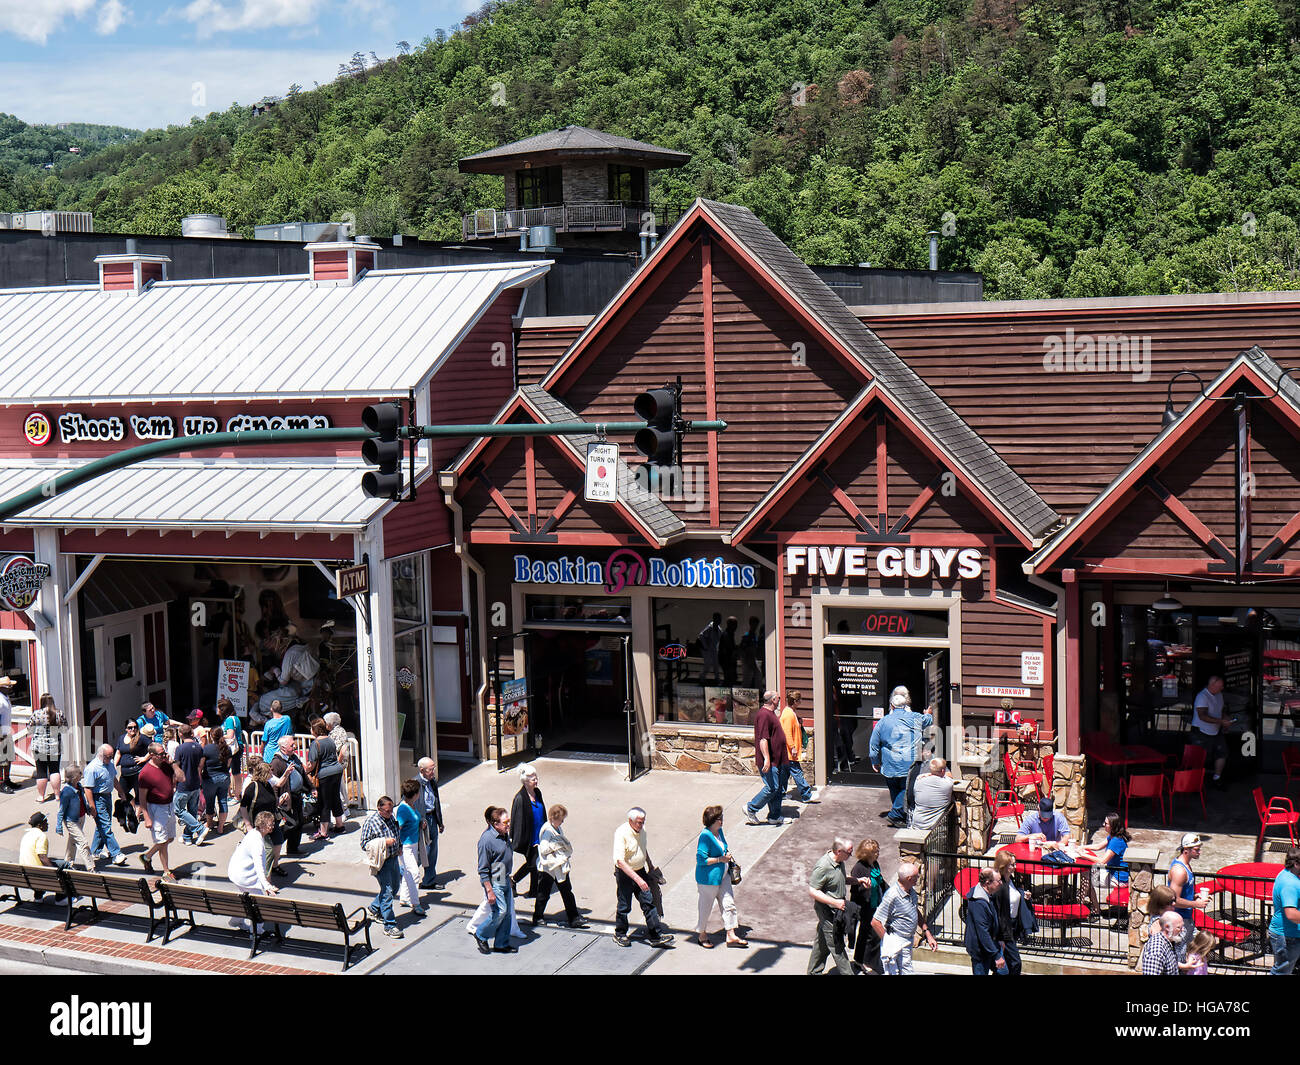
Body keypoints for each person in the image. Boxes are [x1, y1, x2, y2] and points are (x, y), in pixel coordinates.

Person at [869, 687, 935, 827]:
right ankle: (895, 814)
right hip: (907, 762)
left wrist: (875, 761)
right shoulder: (914, 718)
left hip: (889, 763)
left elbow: (874, 744)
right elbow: (928, 721)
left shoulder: (883, 722)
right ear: (905, 705)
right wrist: (928, 713)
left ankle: (898, 815)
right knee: (905, 789)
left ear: (891, 705)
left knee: (894, 788)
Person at [612, 807, 673, 947]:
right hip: (625, 874)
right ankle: (620, 933)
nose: (641, 825)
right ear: (630, 821)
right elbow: (620, 862)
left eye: (643, 822)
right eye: (638, 822)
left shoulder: (642, 831)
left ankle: (656, 936)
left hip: (640, 871)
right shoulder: (621, 833)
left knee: (648, 903)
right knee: (624, 905)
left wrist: (650, 866)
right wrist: (638, 880)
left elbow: (642, 848)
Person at [872, 862, 937, 974]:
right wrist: (888, 943)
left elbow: (914, 911)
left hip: (907, 941)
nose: (919, 878)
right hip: (896, 941)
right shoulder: (892, 895)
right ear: (909, 878)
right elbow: (875, 922)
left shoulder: (911, 892)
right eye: (917, 876)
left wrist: (928, 934)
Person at [695, 805, 746, 948]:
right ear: (713, 820)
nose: (723, 820)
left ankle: (731, 934)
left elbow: (723, 847)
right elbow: (701, 860)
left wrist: (726, 856)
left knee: (728, 904)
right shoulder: (705, 836)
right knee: (705, 908)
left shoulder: (719, 831)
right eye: (720, 818)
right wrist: (720, 859)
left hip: (723, 876)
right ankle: (702, 935)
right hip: (708, 880)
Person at [534, 804, 586, 929]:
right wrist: (557, 845)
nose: (562, 821)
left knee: (567, 891)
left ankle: (574, 917)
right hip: (548, 868)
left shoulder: (557, 828)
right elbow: (545, 848)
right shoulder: (547, 830)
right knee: (543, 893)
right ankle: (537, 917)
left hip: (559, 867)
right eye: (561, 819)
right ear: (553, 818)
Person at [807, 836, 854, 974]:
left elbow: (840, 879)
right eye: (849, 853)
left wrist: (858, 880)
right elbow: (813, 890)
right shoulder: (823, 866)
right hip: (827, 910)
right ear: (839, 851)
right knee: (836, 944)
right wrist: (835, 902)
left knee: (822, 942)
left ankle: (813, 972)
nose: (851, 856)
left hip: (837, 908)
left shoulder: (839, 862)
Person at [360, 795, 404, 939]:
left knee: (395, 887)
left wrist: (399, 846)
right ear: (379, 809)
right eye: (387, 811)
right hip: (382, 861)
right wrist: (384, 842)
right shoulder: (371, 822)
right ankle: (389, 925)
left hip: (393, 858)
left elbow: (396, 832)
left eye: (391, 811)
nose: (390, 814)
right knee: (387, 891)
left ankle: (374, 908)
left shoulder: (391, 818)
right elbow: (364, 843)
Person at [227, 811, 279, 935]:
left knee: (247, 900)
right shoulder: (257, 842)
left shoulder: (252, 834)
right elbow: (259, 866)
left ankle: (236, 921)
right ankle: (257, 931)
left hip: (236, 873)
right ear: (261, 826)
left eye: (272, 823)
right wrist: (266, 885)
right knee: (258, 904)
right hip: (243, 876)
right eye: (269, 824)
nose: (272, 826)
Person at [136, 743, 181, 879]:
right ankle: (166, 871)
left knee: (170, 838)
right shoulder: (145, 773)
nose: (164, 755)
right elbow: (142, 798)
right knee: (162, 841)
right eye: (161, 754)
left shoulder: (167, 765)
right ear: (152, 755)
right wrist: (147, 817)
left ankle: (147, 857)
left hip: (169, 805)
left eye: (164, 753)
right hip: (156, 808)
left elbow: (182, 778)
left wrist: (172, 763)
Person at [744, 690, 790, 825]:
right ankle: (751, 808)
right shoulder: (764, 715)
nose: (780, 700)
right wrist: (767, 759)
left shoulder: (770, 714)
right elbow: (763, 739)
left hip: (777, 759)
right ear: (773, 700)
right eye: (778, 698)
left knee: (777, 787)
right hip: (770, 760)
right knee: (771, 787)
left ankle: (774, 816)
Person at [475, 805, 516, 954]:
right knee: (500, 911)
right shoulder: (486, 840)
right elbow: (483, 869)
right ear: (495, 824)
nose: (508, 825)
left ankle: (501, 943)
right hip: (494, 879)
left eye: (508, 821)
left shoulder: (504, 834)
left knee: (507, 913)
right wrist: (489, 890)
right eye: (505, 823)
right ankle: (481, 934)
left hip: (503, 875)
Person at [1167, 833, 1213, 961]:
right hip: (1179, 920)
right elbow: (1174, 900)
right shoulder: (1179, 871)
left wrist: (1194, 896)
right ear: (1186, 850)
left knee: (1187, 952)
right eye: (1196, 849)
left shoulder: (1186, 865)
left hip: (1186, 917)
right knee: (1179, 956)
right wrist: (1196, 904)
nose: (1200, 852)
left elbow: (1182, 893)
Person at [990, 850, 1034, 975]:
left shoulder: (1011, 880)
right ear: (1004, 866)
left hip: (1013, 925)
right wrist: (1001, 936)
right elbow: (998, 911)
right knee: (1015, 963)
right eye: (1012, 865)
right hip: (1005, 929)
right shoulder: (1000, 885)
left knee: (1007, 962)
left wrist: (1022, 894)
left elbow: (1012, 895)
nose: (1015, 867)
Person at [83, 743, 127, 866]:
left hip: (107, 796)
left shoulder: (110, 764)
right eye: (108, 756)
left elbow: (113, 779)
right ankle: (116, 853)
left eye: (111, 756)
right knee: (105, 826)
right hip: (97, 798)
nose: (111, 758)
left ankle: (96, 850)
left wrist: (121, 792)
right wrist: (92, 806)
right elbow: (88, 789)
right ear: (101, 755)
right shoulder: (92, 768)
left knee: (102, 825)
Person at [238, 759, 285, 874]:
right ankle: (263, 874)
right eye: (269, 772)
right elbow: (243, 806)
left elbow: (272, 802)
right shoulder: (252, 787)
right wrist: (248, 825)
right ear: (264, 773)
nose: (272, 774)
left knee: (278, 842)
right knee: (267, 850)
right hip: (259, 825)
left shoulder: (268, 785)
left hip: (271, 821)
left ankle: (274, 866)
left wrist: (281, 800)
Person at [1083, 812, 1131, 921]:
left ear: (1112, 826)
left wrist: (1083, 854)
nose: (1103, 825)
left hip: (1119, 878)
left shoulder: (1116, 841)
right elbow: (1098, 846)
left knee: (1086, 877)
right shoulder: (1113, 836)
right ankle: (1086, 905)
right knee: (1087, 876)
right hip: (1114, 873)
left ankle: (1094, 910)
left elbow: (1102, 860)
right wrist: (1082, 847)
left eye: (1106, 823)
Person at [848, 838, 885, 974]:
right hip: (864, 906)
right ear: (868, 854)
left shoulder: (875, 864)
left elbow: (880, 881)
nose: (878, 853)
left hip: (876, 903)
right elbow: (855, 890)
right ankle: (866, 962)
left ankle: (860, 959)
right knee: (870, 934)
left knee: (869, 934)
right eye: (875, 851)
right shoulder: (858, 868)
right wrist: (865, 888)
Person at [509, 763, 545, 897]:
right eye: (532, 778)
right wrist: (518, 841)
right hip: (528, 837)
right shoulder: (520, 798)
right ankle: (514, 879)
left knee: (535, 862)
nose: (536, 780)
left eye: (536, 777)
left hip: (539, 833)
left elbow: (543, 812)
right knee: (533, 862)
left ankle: (533, 890)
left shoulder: (538, 793)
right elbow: (516, 821)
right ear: (525, 781)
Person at [962, 867, 1007, 975]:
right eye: (998, 881)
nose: (1001, 883)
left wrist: (999, 938)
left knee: (1003, 972)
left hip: (992, 944)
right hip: (981, 950)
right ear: (988, 883)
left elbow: (995, 918)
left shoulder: (989, 895)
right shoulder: (979, 903)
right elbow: (982, 932)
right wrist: (996, 956)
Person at [268, 735, 307, 856]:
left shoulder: (293, 757)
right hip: (286, 798)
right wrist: (277, 800)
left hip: (297, 795)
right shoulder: (276, 762)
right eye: (292, 745)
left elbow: (303, 773)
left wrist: (311, 788)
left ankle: (293, 848)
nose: (295, 747)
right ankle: (273, 843)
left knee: (300, 822)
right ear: (284, 748)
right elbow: (273, 784)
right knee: (292, 823)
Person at [307, 718, 346, 839]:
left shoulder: (315, 744)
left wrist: (306, 770)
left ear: (315, 730)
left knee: (324, 802)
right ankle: (339, 825)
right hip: (337, 771)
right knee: (335, 798)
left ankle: (323, 832)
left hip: (325, 774)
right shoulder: (330, 740)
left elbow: (312, 764)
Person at [172, 724, 209, 847]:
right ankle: (187, 836)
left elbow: (177, 766)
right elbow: (201, 764)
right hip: (195, 783)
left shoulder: (180, 748)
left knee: (178, 809)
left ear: (180, 734)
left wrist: (174, 781)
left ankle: (200, 828)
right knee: (192, 811)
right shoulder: (199, 747)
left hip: (184, 784)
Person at [394, 779, 426, 915]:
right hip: (405, 847)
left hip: (413, 845)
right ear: (416, 794)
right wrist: (398, 846)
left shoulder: (411, 805)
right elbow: (397, 828)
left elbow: (413, 820)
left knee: (408, 872)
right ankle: (415, 903)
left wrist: (420, 823)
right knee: (414, 873)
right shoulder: (403, 809)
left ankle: (405, 898)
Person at [780, 690, 818, 803]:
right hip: (789, 751)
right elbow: (787, 732)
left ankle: (781, 793)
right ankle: (806, 795)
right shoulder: (788, 714)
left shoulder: (791, 712)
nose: (801, 701)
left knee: (784, 774)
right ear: (795, 701)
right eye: (800, 700)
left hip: (787, 751)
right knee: (797, 773)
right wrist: (792, 747)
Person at [1191, 675, 1228, 787]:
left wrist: (1225, 719)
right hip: (1201, 731)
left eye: (1222, 686)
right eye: (1219, 686)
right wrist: (1221, 721)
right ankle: (1194, 781)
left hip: (1215, 730)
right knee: (1200, 757)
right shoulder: (1202, 696)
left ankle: (1217, 778)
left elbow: (1219, 711)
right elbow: (1202, 716)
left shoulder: (1219, 695)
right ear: (1211, 685)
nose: (1221, 688)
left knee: (1223, 753)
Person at [1268, 847, 1300, 976]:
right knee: (1281, 972)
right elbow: (1291, 914)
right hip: (1288, 937)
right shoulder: (1290, 884)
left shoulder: (1286, 873)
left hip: (1287, 934)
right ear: (1296, 864)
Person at [54, 764, 92, 871]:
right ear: (74, 777)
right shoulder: (66, 792)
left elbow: (82, 800)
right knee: (83, 842)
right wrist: (59, 826)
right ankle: (91, 868)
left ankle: (68, 863)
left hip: (81, 818)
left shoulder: (79, 786)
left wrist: (88, 809)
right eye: (79, 773)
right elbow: (61, 810)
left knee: (73, 841)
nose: (81, 774)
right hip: (71, 821)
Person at [29, 694, 63, 801]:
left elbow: (29, 729)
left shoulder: (36, 714)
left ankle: (41, 796)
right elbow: (64, 729)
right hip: (54, 747)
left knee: (41, 772)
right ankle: (57, 795)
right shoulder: (59, 713)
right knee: (54, 770)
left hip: (39, 747)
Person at [416, 757, 444, 887]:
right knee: (422, 852)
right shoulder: (415, 784)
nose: (433, 772)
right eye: (430, 769)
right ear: (422, 770)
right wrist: (419, 820)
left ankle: (429, 880)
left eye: (434, 769)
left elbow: (436, 801)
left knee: (433, 850)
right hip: (422, 820)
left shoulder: (432, 781)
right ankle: (405, 874)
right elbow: (411, 805)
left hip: (432, 817)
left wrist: (440, 822)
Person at [200, 726, 232, 835]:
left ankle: (209, 823)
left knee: (210, 803)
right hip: (224, 777)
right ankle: (221, 827)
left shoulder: (207, 749)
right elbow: (228, 764)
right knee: (223, 801)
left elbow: (201, 765)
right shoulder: (227, 748)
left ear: (211, 736)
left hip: (210, 778)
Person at [909, 757, 954, 833]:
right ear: (943, 770)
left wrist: (929, 774)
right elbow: (949, 776)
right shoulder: (947, 784)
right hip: (936, 828)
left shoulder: (919, 780)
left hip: (918, 824)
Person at [113, 719, 149, 811]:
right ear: (126, 729)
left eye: (135, 727)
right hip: (125, 772)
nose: (133, 729)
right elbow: (118, 753)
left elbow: (153, 747)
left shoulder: (141, 738)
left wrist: (144, 758)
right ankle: (134, 806)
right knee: (121, 793)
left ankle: (136, 817)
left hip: (138, 771)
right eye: (130, 727)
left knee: (138, 795)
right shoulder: (121, 738)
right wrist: (114, 765)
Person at [218, 698, 244, 804]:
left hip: (233, 750)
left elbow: (230, 735)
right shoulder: (235, 718)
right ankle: (233, 794)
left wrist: (218, 736)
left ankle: (236, 796)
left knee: (235, 772)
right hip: (234, 749)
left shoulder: (229, 720)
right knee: (233, 772)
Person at [0, 675, 16, 792]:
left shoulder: (6, 698)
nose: (10, 688)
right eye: (8, 686)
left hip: (7, 730)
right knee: (2, 760)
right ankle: (1, 783)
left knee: (9, 757)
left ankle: (7, 779)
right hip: (2, 732)